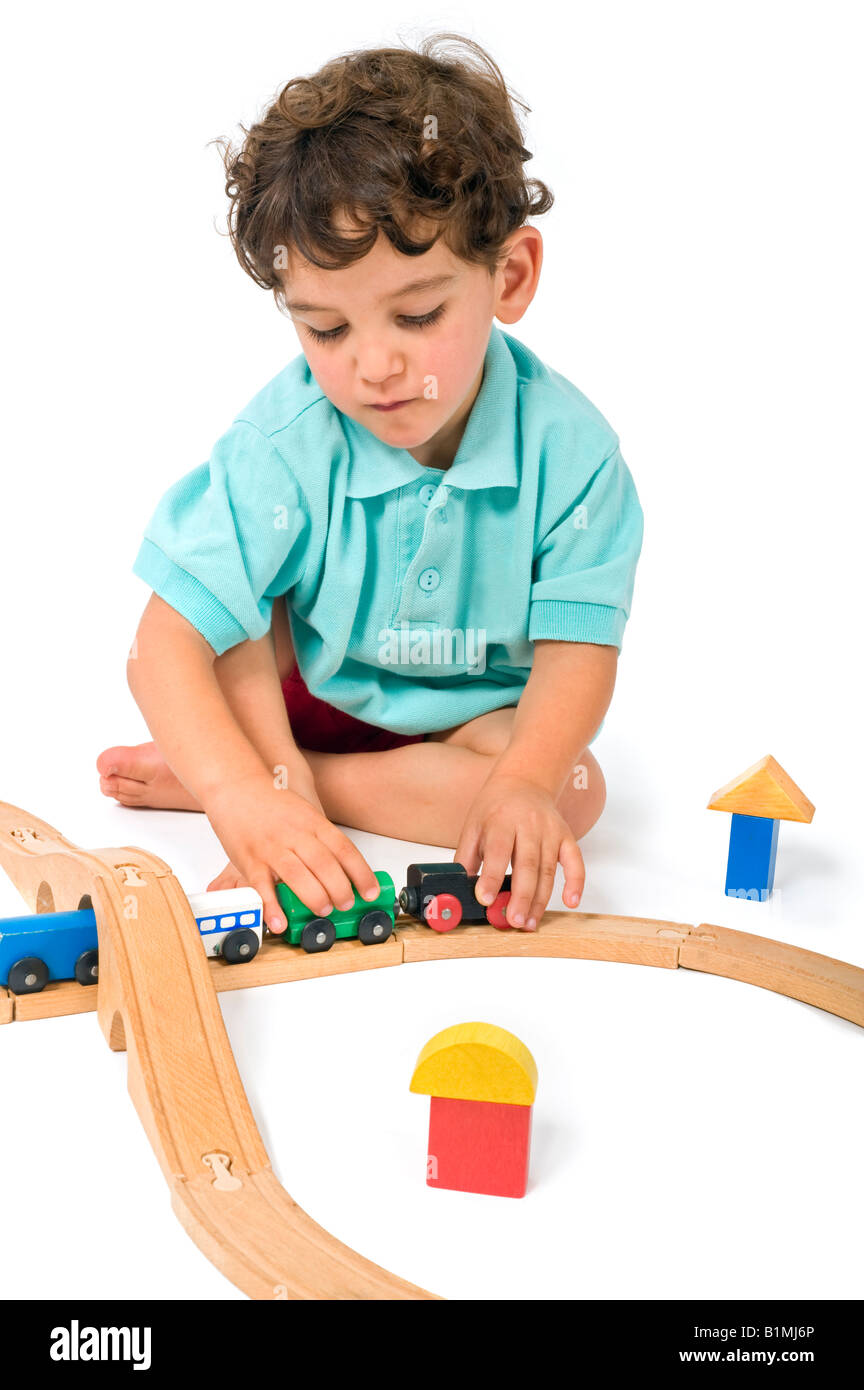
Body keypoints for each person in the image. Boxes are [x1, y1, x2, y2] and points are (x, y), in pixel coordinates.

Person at [97, 33, 644, 938]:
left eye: (418, 314)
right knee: (231, 631)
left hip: (460, 730)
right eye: (325, 329)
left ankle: (297, 794)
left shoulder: (573, 454)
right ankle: (268, 784)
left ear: (509, 276)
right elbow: (161, 645)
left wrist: (520, 785)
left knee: (570, 792)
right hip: (297, 693)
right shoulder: (287, 441)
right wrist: (243, 791)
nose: (374, 367)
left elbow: (578, 653)